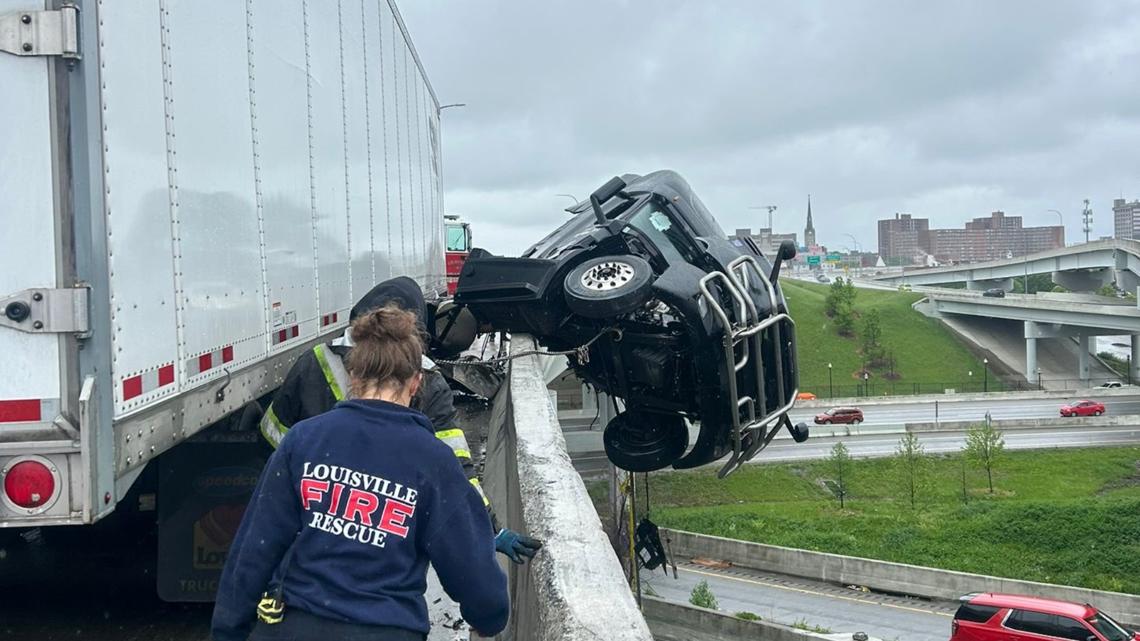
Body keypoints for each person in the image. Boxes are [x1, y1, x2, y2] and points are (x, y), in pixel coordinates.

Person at [212, 305, 509, 641]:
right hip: (387, 630)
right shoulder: (434, 460)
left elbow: (253, 551)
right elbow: (474, 573)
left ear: (353, 375)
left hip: (296, 627)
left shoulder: (304, 440)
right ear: (416, 383)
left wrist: (229, 630)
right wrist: (488, 617)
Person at [259, 276, 541, 564]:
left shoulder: (313, 361)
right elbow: (455, 466)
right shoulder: (426, 378)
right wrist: (489, 529)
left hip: (312, 523)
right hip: (386, 528)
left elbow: (273, 435)